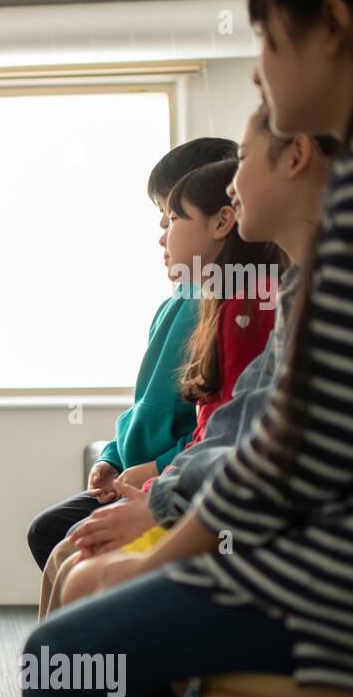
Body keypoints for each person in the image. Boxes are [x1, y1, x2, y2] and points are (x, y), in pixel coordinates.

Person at [23, 0, 353, 697]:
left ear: (333, 28)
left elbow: (300, 451)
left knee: (64, 661)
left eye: (264, 43)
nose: (259, 69)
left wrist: (158, 553)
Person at [25, 138, 236, 570]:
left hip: (168, 477)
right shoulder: (178, 300)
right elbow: (144, 405)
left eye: (174, 213)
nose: (162, 227)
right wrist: (112, 458)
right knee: (50, 531)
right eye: (162, 212)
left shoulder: (226, 305)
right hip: (141, 472)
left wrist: (155, 469)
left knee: (66, 542)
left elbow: (214, 429)